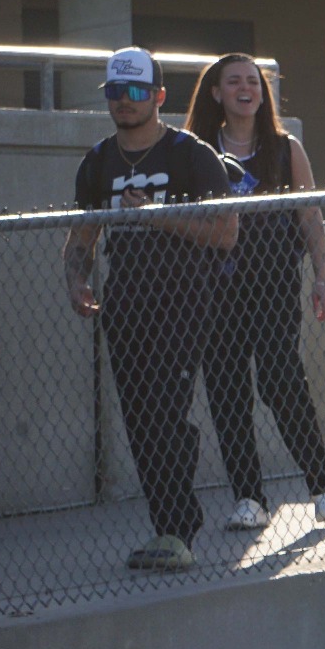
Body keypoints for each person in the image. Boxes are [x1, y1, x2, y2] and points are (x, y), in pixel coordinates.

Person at [65, 47, 239, 572]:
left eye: (136, 92)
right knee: (139, 419)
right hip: (124, 307)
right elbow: (82, 236)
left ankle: (179, 528)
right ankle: (166, 529)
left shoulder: (190, 155)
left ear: (159, 97)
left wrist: (160, 216)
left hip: (183, 304)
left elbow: (226, 234)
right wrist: (76, 278)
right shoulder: (97, 161)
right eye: (116, 92)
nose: (124, 102)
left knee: (166, 411)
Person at [184, 52, 325, 532]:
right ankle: (249, 498)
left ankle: (322, 485)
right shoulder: (196, 150)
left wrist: (321, 276)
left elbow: (310, 216)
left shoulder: (284, 147)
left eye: (252, 81)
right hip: (216, 290)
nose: (245, 88)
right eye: (233, 82)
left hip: (273, 285)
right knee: (226, 390)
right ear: (216, 93)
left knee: (280, 381)